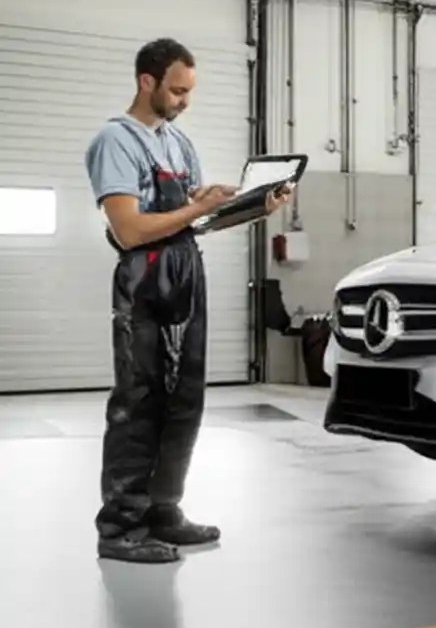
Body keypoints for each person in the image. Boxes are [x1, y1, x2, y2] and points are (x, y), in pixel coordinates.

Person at [84, 38, 292, 563]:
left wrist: (252, 207)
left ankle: (163, 512)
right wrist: (192, 209)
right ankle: (120, 528)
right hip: (144, 277)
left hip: (184, 270)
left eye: (189, 92)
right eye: (176, 90)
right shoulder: (117, 140)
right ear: (146, 82)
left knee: (184, 401)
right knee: (139, 401)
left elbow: (197, 221)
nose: (183, 101)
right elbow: (129, 229)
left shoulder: (178, 143)